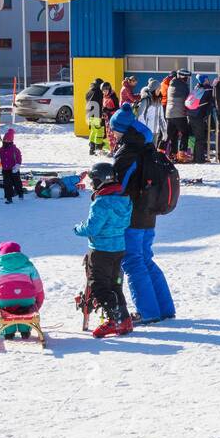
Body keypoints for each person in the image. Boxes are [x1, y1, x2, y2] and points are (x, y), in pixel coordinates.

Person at [112, 111, 176, 324]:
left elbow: (119, 187)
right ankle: (165, 308)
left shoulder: (129, 151)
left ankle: (148, 312)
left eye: (114, 129)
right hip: (149, 214)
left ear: (121, 130)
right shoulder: (147, 148)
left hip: (133, 215)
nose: (112, 133)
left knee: (132, 261)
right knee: (145, 259)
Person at [74, 162, 134, 337]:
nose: (92, 185)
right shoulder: (125, 198)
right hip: (118, 248)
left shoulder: (101, 202)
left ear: (100, 181)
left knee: (99, 286)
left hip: (101, 249)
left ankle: (114, 320)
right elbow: (127, 223)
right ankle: (124, 320)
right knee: (114, 285)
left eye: (93, 181)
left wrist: (78, 228)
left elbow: (92, 228)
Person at [0, 241, 44, 340]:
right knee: (26, 308)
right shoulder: (29, 265)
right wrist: (36, 305)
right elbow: (38, 287)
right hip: (27, 298)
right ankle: (25, 330)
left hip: (4, 300)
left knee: (5, 308)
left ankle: (8, 332)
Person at [186, 75, 214, 163]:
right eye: (206, 79)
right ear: (203, 81)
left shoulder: (196, 88)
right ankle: (199, 159)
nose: (208, 81)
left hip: (191, 116)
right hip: (198, 116)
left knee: (198, 137)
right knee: (200, 138)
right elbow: (211, 103)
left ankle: (197, 157)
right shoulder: (208, 90)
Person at [164, 69, 191, 159]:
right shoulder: (183, 86)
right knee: (185, 133)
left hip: (169, 113)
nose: (187, 79)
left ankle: (170, 153)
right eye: (186, 77)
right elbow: (187, 99)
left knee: (171, 135)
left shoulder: (171, 84)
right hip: (179, 114)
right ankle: (182, 154)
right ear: (183, 77)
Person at [0, 128, 24, 204]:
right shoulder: (0, 150)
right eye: (4, 140)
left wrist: (17, 166)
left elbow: (19, 158)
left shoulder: (15, 150)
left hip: (14, 169)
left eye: (8, 140)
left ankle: (20, 193)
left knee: (17, 183)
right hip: (5, 170)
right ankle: (8, 198)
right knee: (7, 184)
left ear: (11, 141)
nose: (5, 142)